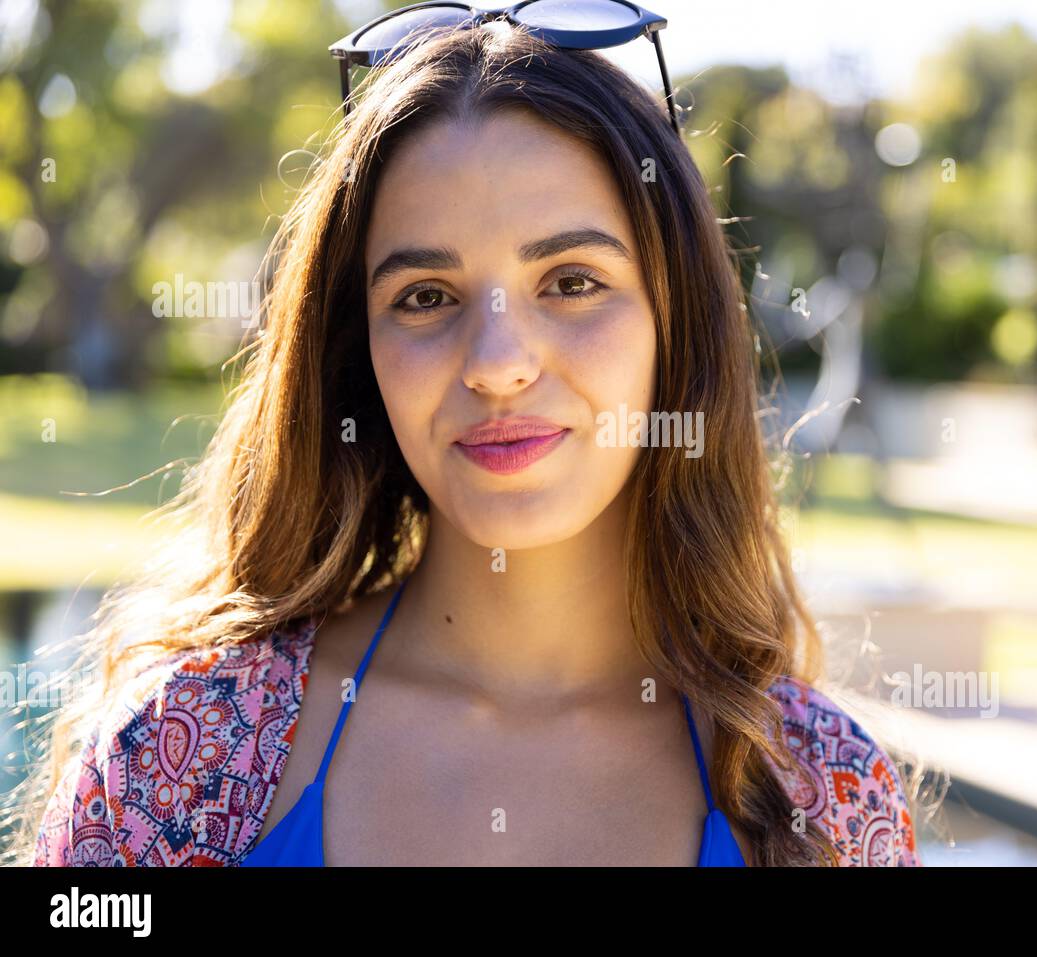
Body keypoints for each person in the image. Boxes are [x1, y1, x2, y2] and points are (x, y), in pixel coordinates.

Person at [14, 20, 918, 867]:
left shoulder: (821, 793)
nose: (495, 364)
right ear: (357, 353)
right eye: (425, 295)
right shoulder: (178, 756)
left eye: (570, 280)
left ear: (675, 324)